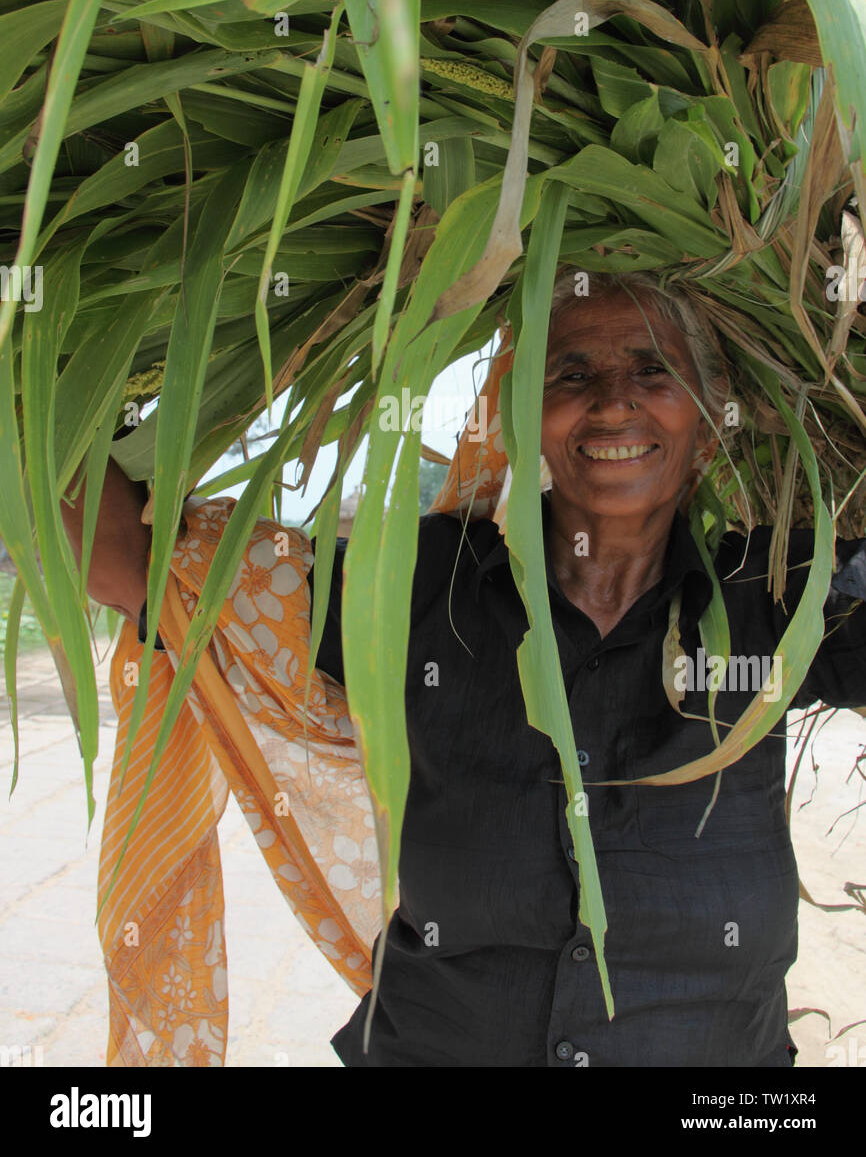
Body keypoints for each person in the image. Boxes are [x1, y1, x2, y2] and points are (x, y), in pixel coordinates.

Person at [62, 270, 866, 1067]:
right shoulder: (418, 587)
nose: (614, 400)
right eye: (572, 374)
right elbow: (143, 565)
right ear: (518, 408)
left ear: (710, 402)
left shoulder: (781, 599)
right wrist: (65, 370)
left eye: (653, 368)